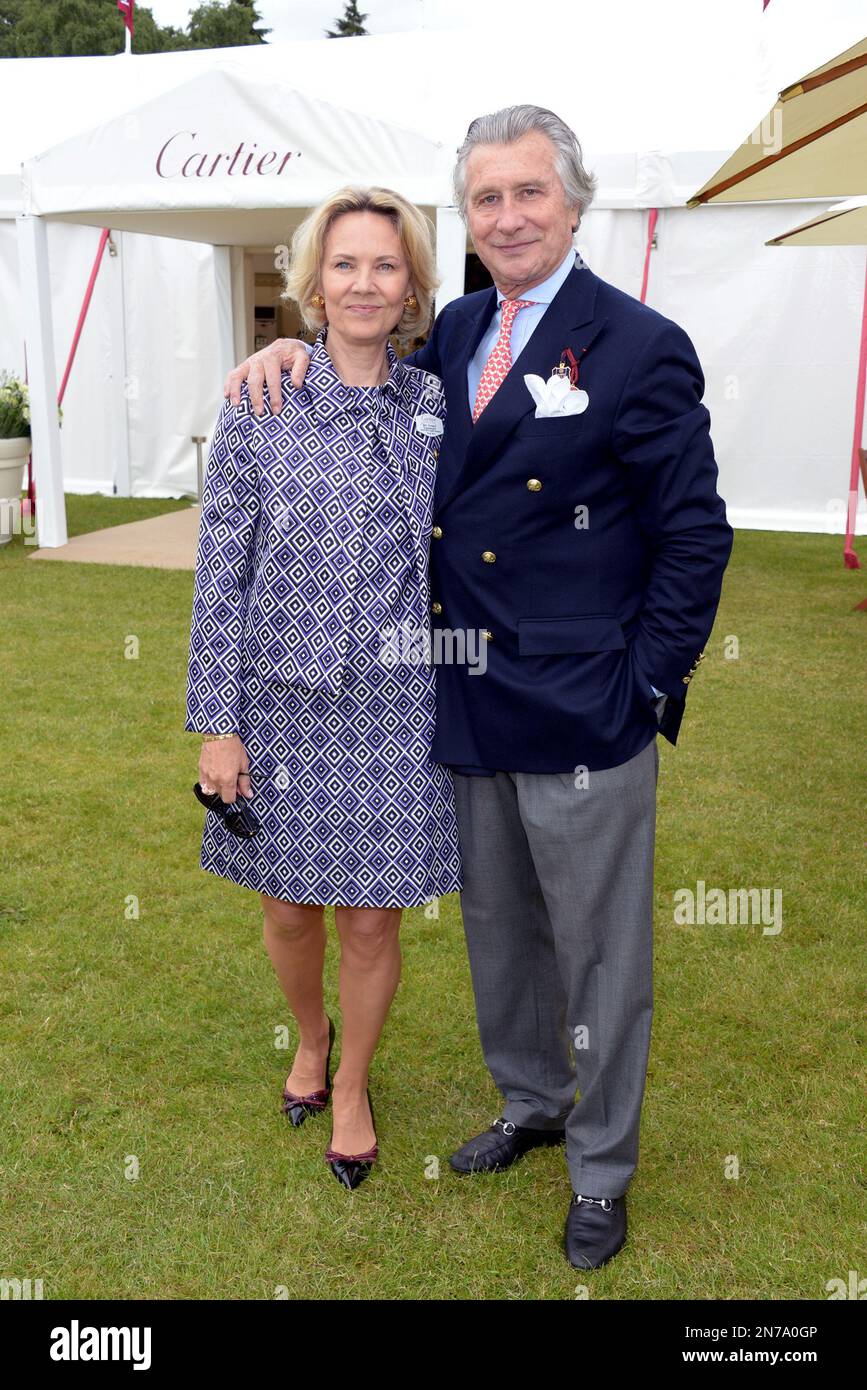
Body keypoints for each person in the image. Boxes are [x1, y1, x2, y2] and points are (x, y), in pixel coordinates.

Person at [224, 105, 734, 1266]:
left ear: (573, 202)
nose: (507, 216)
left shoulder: (639, 343)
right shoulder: (452, 330)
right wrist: (284, 349)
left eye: (529, 193)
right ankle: (532, 1103)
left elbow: (694, 535)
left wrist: (648, 683)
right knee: (502, 933)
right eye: (487, 198)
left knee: (599, 949)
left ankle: (601, 1167)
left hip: (585, 709)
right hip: (455, 697)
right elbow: (355, 365)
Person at [185, 186, 462, 1191]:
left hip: (397, 707)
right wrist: (216, 725)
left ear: (411, 286)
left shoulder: (437, 404)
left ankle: (351, 1084)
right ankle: (310, 1035)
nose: (363, 283)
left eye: (385, 265)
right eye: (344, 264)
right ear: (314, 280)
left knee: (374, 918)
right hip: (281, 705)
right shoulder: (261, 401)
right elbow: (222, 574)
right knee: (291, 908)